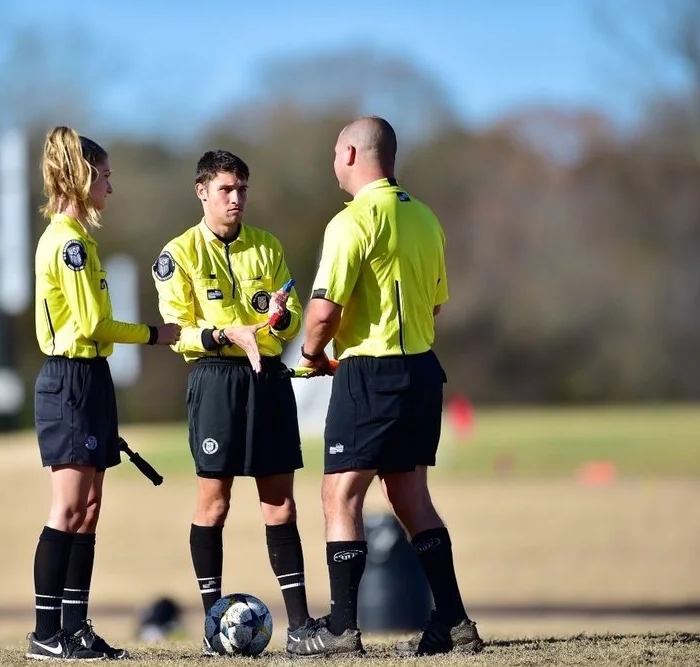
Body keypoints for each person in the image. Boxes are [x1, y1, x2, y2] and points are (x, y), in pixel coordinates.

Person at [286, 116, 484, 657]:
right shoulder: (426, 218)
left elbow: (322, 313)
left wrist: (311, 356)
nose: (332, 163)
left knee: (339, 494)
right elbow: (436, 302)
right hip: (422, 368)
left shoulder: (349, 223)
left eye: (334, 153)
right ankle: (456, 624)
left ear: (351, 154)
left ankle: (342, 630)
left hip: (370, 372)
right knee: (409, 495)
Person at [152, 150, 316, 656]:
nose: (236, 198)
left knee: (280, 502)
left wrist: (283, 318)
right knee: (213, 503)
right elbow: (179, 331)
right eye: (226, 189)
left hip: (267, 379)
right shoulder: (178, 253)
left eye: (242, 189)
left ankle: (303, 626)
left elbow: (286, 320)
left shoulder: (266, 246)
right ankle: (211, 627)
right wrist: (228, 334)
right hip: (217, 379)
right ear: (202, 191)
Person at [26, 126, 181, 662]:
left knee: (89, 507)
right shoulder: (66, 242)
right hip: (69, 377)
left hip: (92, 380)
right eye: (106, 176)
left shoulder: (82, 239)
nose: (111, 188)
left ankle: (74, 627)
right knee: (67, 507)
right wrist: (155, 334)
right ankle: (45, 634)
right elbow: (91, 323)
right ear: (82, 175)